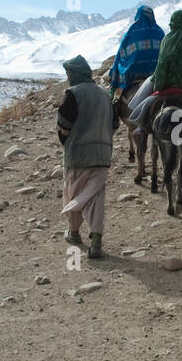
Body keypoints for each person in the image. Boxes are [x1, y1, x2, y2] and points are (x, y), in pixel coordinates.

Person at [56, 55, 117, 258]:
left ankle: (74, 233)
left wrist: (66, 141)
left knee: (73, 192)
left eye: (68, 73)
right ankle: (96, 240)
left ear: (74, 74)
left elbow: (64, 124)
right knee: (96, 196)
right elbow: (114, 124)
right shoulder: (105, 95)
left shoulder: (73, 94)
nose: (67, 77)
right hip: (102, 154)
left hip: (78, 155)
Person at [108, 4, 164, 100]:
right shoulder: (159, 32)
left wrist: (114, 77)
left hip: (132, 73)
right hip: (156, 74)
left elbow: (120, 53)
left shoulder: (132, 31)